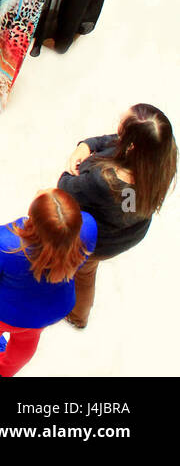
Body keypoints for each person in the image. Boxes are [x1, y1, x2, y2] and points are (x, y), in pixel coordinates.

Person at [0, 189, 97, 377]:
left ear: (33, 222)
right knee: (26, 342)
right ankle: (4, 371)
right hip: (45, 314)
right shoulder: (88, 231)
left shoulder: (6, 243)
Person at [57, 104, 176, 328]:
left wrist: (68, 167)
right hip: (129, 231)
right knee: (87, 271)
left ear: (130, 147)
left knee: (82, 273)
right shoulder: (161, 155)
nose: (117, 124)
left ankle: (77, 316)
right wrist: (86, 145)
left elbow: (64, 188)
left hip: (95, 241)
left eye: (121, 126)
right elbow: (114, 141)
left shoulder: (105, 181)